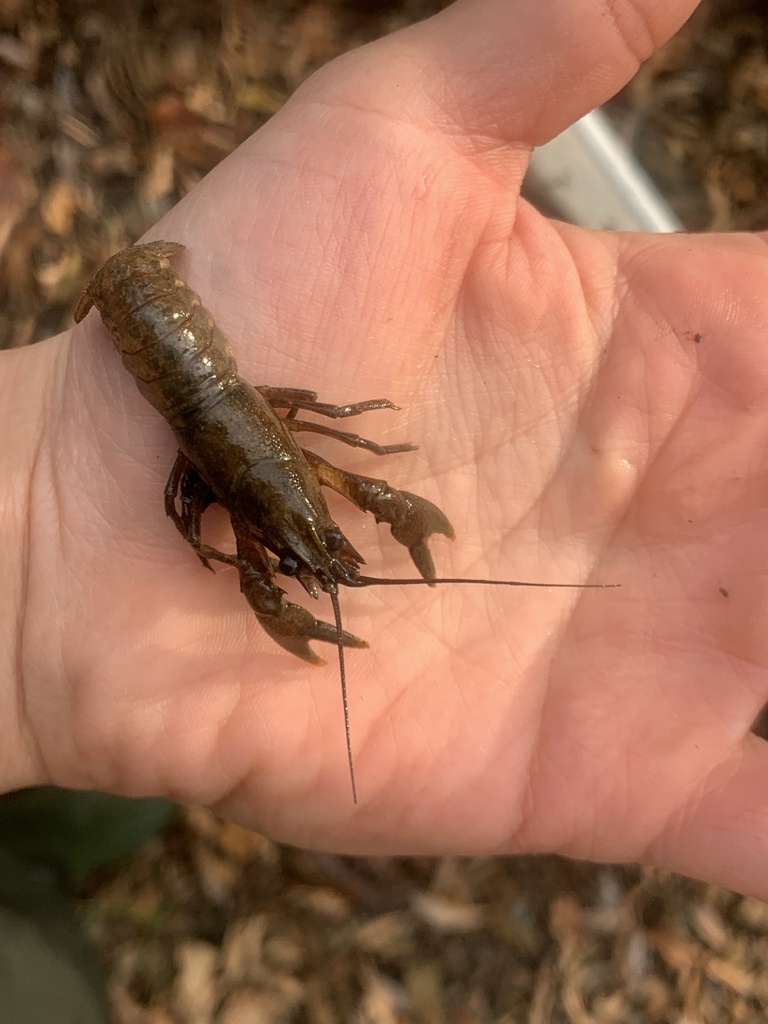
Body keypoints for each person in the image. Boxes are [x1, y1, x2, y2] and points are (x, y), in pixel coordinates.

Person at [2, 0, 767, 900]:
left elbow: (269, 473)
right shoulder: (289, 462)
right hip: (181, 353)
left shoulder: (263, 473)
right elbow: (309, 443)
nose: (307, 558)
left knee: (287, 494)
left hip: (207, 380)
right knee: (308, 480)